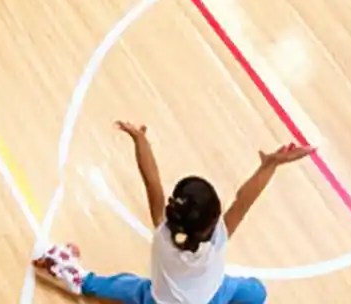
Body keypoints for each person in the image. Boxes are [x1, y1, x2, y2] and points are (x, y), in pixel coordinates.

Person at [33, 121, 314, 303]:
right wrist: (271, 164)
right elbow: (244, 198)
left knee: (125, 287)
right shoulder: (218, 239)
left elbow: (151, 182)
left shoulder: (163, 234)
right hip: (214, 297)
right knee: (256, 292)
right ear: (214, 220)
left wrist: (140, 141)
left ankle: (75, 275)